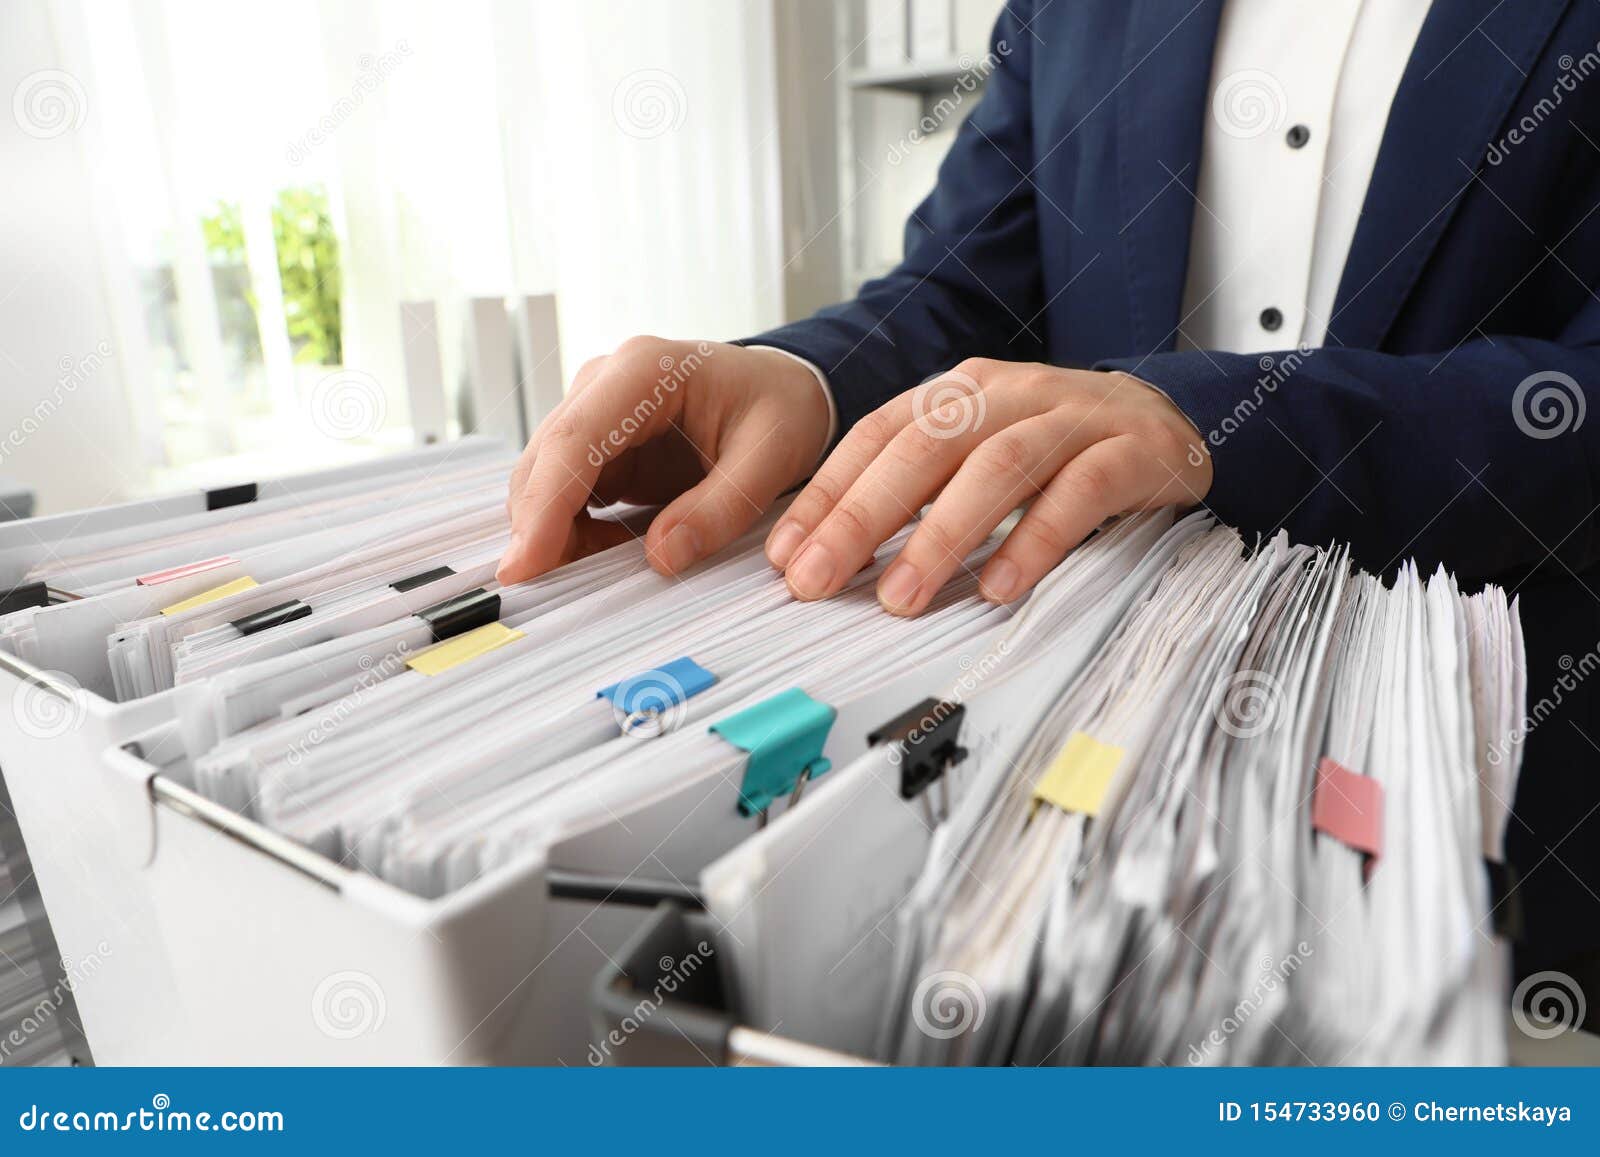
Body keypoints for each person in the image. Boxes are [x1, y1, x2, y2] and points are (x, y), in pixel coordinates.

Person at [498, 1, 1600, 994]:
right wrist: (807, 379)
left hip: (1501, 830)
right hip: (1056, 789)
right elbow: (966, 291)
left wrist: (1217, 419)